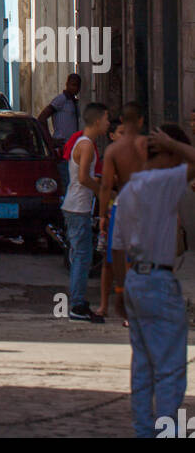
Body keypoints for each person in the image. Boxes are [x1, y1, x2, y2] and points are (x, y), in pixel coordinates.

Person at [111, 125, 195, 438]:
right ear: (167, 154)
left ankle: (145, 430)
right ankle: (165, 431)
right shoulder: (163, 181)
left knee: (143, 366)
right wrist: (173, 143)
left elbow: (117, 245)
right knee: (171, 366)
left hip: (135, 278)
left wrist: (121, 289)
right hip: (159, 280)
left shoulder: (130, 189)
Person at [62, 101, 109, 323]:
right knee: (82, 257)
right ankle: (77, 305)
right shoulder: (87, 145)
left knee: (81, 256)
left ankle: (78, 302)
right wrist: (102, 191)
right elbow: (83, 178)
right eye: (107, 119)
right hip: (78, 206)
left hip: (76, 206)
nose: (108, 124)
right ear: (98, 121)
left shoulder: (83, 143)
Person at [97, 102, 145, 319]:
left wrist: (102, 215)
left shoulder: (114, 150)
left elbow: (106, 186)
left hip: (122, 208)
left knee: (115, 260)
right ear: (142, 122)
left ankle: (115, 305)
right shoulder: (149, 147)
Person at [37, 73, 82, 193]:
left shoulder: (75, 103)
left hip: (72, 148)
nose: (75, 88)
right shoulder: (61, 99)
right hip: (62, 147)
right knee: (65, 181)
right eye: (72, 85)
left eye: (77, 86)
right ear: (67, 85)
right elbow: (42, 118)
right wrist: (50, 140)